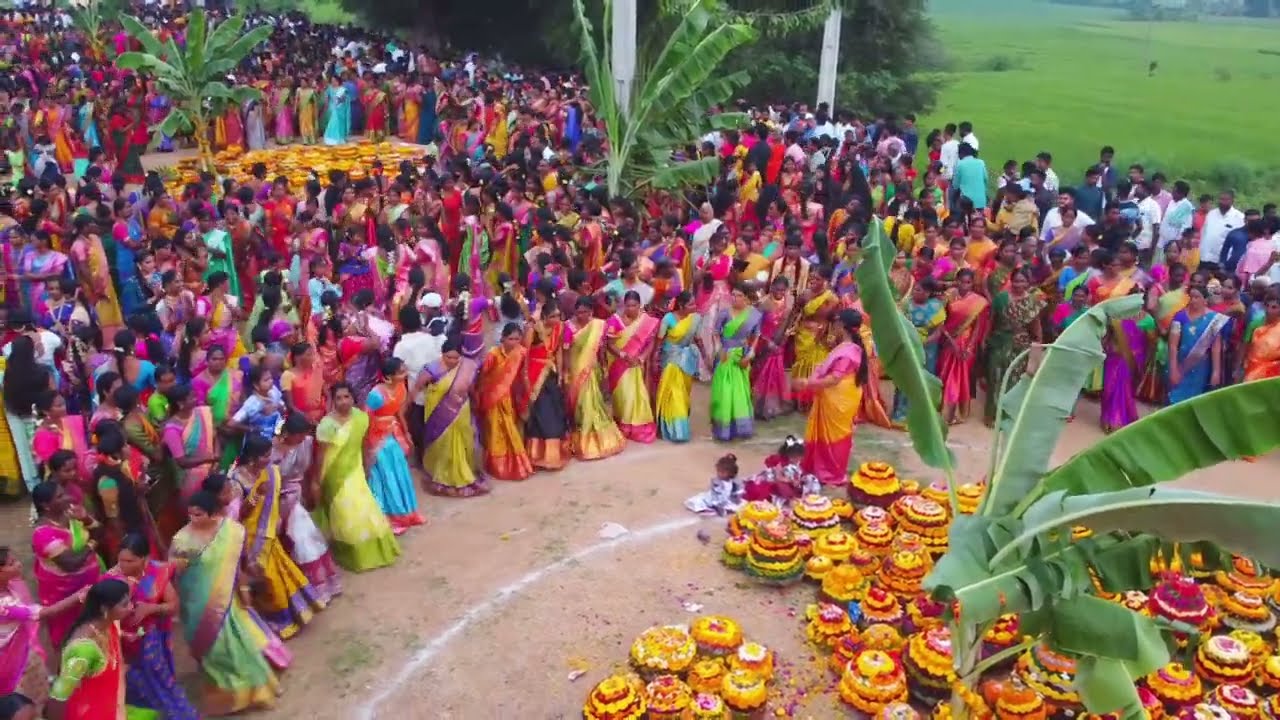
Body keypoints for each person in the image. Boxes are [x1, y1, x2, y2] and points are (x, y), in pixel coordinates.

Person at [168, 491, 285, 715]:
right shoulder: (181, 540)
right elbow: (173, 571)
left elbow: (237, 565)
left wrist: (243, 590)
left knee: (235, 645)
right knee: (212, 652)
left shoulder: (230, 530)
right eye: (190, 514)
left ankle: (257, 691)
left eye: (199, 514)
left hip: (225, 601)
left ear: (213, 513)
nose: (193, 519)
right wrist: (177, 568)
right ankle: (226, 693)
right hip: (196, 604)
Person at [232, 436, 325, 640]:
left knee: (281, 572)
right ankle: (278, 622)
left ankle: (293, 615)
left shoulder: (271, 472)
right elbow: (238, 514)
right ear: (253, 458)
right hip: (252, 538)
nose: (269, 458)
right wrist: (257, 495)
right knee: (269, 578)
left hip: (269, 532)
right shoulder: (237, 480)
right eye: (265, 455)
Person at [104, 533, 200, 720]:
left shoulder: (158, 573)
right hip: (120, 644)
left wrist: (151, 608)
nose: (123, 566)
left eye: (130, 561)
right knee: (130, 686)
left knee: (160, 682)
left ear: (145, 559)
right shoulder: (111, 579)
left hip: (150, 643)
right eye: (120, 560)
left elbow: (174, 606)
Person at [314, 383, 401, 570]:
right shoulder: (327, 425)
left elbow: (363, 443)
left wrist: (366, 465)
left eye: (347, 397)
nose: (343, 401)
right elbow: (321, 456)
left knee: (366, 509)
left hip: (355, 471)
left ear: (353, 398)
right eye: (338, 398)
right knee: (345, 515)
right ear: (332, 401)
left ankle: (377, 551)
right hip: (334, 475)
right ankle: (353, 555)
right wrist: (317, 481)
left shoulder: (361, 418)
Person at [46, 578, 157, 720]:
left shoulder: (109, 622)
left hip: (110, 706)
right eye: (124, 605)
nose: (131, 607)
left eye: (129, 601)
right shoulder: (83, 651)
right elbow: (58, 697)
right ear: (104, 609)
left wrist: (125, 636)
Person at [0, 545, 89, 707]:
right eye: (11, 563)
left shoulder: (12, 584)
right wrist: (79, 596)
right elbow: (46, 613)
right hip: (10, 658)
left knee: (37, 683)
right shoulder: (3, 605)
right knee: (24, 697)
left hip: (23, 646)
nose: (19, 564)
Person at [272, 414, 341, 602]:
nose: (302, 438)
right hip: (279, 498)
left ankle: (320, 585)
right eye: (299, 435)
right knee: (300, 538)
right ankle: (311, 587)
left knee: (307, 536)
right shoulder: (272, 450)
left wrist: (313, 488)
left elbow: (311, 469)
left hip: (297, 494)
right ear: (287, 433)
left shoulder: (307, 442)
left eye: (304, 435)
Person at [797, 309, 868, 486]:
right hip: (843, 396)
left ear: (842, 326)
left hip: (838, 399)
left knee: (834, 437)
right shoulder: (851, 347)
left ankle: (831, 473)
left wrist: (808, 383)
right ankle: (825, 469)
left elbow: (835, 378)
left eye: (836, 323)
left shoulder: (847, 351)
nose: (833, 327)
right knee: (835, 434)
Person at [30, 481, 102, 651]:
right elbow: (71, 564)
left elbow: (100, 531)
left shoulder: (71, 515)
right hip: (64, 596)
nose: (68, 497)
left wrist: (85, 518)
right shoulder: (43, 534)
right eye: (60, 496)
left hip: (89, 587)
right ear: (45, 505)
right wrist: (92, 544)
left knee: (94, 631)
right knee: (70, 638)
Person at [365, 358, 429, 529]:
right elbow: (366, 420)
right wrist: (369, 445)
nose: (405, 373)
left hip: (393, 432)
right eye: (401, 371)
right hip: (378, 438)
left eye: (404, 370)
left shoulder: (401, 387)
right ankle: (389, 516)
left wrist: (406, 432)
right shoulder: (376, 395)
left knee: (400, 471)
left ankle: (407, 512)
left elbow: (399, 412)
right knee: (386, 475)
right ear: (388, 377)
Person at [565, 297, 626, 460]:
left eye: (584, 312)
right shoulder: (568, 327)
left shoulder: (598, 325)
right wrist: (566, 372)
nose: (581, 315)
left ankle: (593, 440)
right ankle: (580, 438)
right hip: (575, 370)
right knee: (579, 405)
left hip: (591, 370)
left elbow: (601, 349)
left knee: (591, 402)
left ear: (591, 312)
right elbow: (565, 351)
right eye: (578, 312)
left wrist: (603, 369)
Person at [984, 269, 1046, 426]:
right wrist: (985, 339)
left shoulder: (1032, 302)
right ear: (1011, 281)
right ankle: (992, 416)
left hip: (1020, 346)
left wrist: (1038, 345)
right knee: (995, 378)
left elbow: (1036, 326)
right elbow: (991, 320)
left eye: (1022, 281)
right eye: (1016, 281)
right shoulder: (1001, 298)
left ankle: (1007, 415)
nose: (1018, 284)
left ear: (1028, 283)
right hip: (999, 342)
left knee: (1014, 380)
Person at [477, 325, 536, 481]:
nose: (514, 342)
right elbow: (483, 377)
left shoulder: (521, 352)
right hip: (492, 398)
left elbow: (523, 374)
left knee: (510, 428)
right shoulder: (493, 354)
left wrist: (528, 393)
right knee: (495, 430)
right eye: (511, 338)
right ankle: (496, 465)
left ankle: (516, 464)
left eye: (517, 339)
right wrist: (481, 397)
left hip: (509, 397)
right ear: (502, 338)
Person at [519, 301, 570, 470]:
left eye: (558, 315)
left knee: (555, 410)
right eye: (552, 316)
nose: (556, 319)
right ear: (544, 317)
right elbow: (524, 356)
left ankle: (554, 454)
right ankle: (537, 454)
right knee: (540, 412)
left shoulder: (560, 328)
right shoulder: (533, 331)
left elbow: (559, 351)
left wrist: (561, 373)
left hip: (551, 373)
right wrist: (525, 379)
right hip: (535, 374)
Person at [937, 269, 990, 425]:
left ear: (972, 283)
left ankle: (955, 412)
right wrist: (950, 340)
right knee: (945, 374)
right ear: (956, 281)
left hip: (966, 343)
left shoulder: (979, 302)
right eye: (961, 281)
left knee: (961, 377)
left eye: (968, 282)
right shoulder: (948, 296)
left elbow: (978, 327)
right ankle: (943, 409)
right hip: (948, 341)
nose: (964, 285)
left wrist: (969, 347)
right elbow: (940, 320)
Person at [605, 291, 660, 443]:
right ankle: (623, 424)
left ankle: (636, 426)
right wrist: (623, 355)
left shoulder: (646, 321)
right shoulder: (615, 321)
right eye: (628, 305)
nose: (631, 309)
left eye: (634, 305)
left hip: (636, 364)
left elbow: (651, 343)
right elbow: (609, 345)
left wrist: (642, 358)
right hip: (618, 364)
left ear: (639, 305)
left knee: (635, 396)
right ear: (623, 305)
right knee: (623, 396)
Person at [710, 285, 761, 442]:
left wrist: (750, 354)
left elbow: (756, 335)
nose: (734, 298)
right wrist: (719, 349)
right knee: (724, 392)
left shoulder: (754, 315)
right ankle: (723, 430)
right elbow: (715, 332)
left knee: (739, 392)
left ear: (746, 297)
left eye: (738, 295)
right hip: (725, 356)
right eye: (733, 295)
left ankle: (740, 428)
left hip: (741, 357)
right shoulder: (724, 313)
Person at [893, 278, 946, 425]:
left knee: (922, 380)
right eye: (914, 289)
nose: (914, 292)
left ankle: (921, 416)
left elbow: (937, 333)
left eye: (918, 290)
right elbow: (898, 325)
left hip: (927, 349)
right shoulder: (906, 305)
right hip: (907, 345)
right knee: (905, 379)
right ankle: (900, 413)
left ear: (928, 293)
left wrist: (921, 343)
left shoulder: (936, 307)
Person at [3, 336, 50, 493]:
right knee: (40, 449)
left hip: (14, 415)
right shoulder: (41, 371)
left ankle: (32, 485)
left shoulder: (8, 371)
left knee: (23, 452)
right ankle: (46, 481)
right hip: (35, 416)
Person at [655, 292, 703, 442]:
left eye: (694, 304)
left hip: (686, 361)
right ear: (681, 305)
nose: (694, 307)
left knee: (683, 394)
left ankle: (677, 426)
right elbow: (659, 341)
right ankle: (676, 431)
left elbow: (698, 339)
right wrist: (654, 360)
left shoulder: (695, 319)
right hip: (670, 361)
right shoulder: (668, 319)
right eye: (690, 304)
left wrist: (706, 356)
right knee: (673, 394)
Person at [1168, 284, 1226, 404]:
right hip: (1181, 364)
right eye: (1191, 297)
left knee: (1196, 400)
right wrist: (1173, 368)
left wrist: (1216, 371)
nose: (1193, 300)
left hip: (1201, 367)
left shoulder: (1214, 320)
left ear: (1205, 300)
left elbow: (1216, 347)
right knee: (1176, 399)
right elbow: (1173, 345)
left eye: (1197, 297)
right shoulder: (1180, 316)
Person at [159, 384, 218, 502]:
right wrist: (209, 459)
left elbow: (215, 435)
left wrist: (216, 458)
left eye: (194, 396)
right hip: (191, 476)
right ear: (180, 404)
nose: (196, 399)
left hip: (213, 467)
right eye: (191, 398)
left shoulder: (203, 412)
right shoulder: (172, 430)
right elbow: (182, 462)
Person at [190, 345, 242, 469]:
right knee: (214, 463)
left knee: (233, 463)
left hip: (235, 426)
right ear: (207, 361)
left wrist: (235, 422)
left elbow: (241, 398)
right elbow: (200, 409)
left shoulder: (234, 376)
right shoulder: (199, 381)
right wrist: (217, 427)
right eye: (214, 359)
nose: (218, 362)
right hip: (212, 430)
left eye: (221, 359)